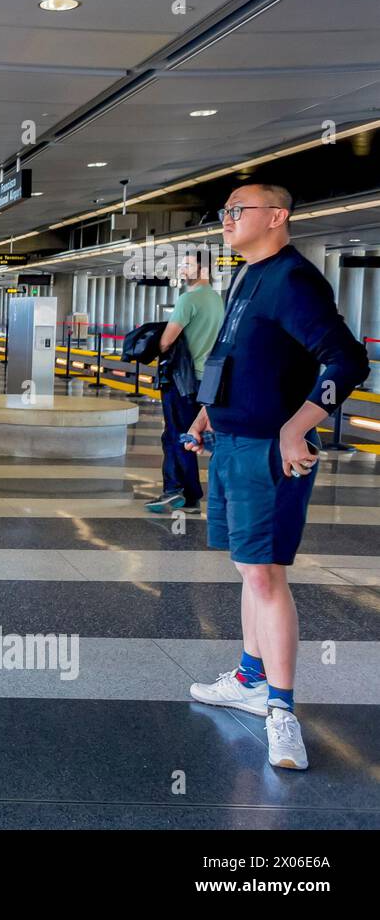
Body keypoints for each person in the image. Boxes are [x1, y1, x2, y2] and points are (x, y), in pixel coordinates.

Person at [184, 183, 369, 771]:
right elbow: (240, 356)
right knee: (248, 567)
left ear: (278, 216)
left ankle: (282, 710)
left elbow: (348, 360)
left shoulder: (293, 278)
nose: (226, 222)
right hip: (233, 440)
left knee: (265, 575)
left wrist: (298, 428)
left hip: (268, 449)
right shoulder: (247, 276)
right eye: (224, 213)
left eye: (238, 211)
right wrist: (209, 409)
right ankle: (248, 677)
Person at [146, 249, 224, 514]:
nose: (181, 269)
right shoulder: (217, 299)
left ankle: (177, 491)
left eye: (187, 264)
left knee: (176, 434)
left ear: (203, 269)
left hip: (183, 380)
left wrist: (146, 343)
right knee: (195, 434)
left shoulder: (187, 299)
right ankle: (192, 494)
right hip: (209, 380)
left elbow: (166, 341)